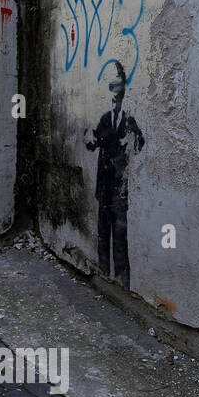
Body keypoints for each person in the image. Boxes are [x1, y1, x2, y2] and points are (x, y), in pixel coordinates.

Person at [86, 60, 145, 284]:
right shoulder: (104, 119)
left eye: (118, 87)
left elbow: (140, 143)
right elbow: (93, 143)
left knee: (120, 237)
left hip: (119, 189)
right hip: (104, 187)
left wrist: (129, 141)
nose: (116, 94)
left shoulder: (129, 120)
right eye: (113, 88)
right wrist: (90, 139)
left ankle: (122, 282)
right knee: (103, 235)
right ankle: (102, 275)